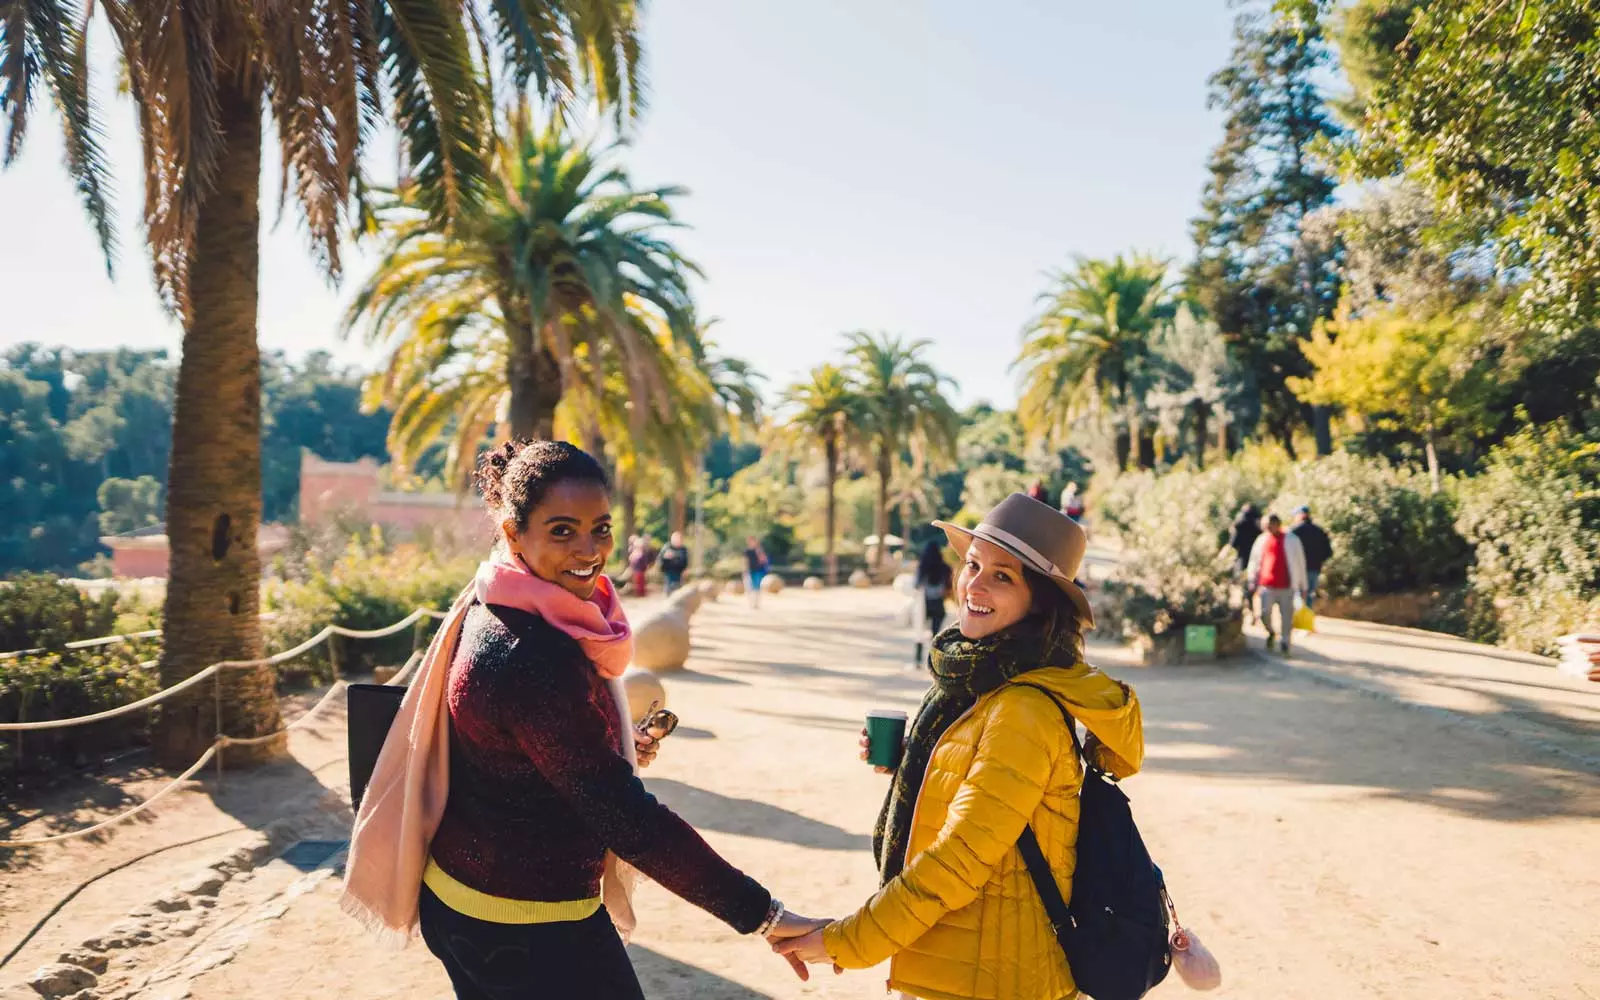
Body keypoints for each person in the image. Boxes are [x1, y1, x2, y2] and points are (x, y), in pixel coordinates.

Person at [341, 440, 818, 999]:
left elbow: (514, 747)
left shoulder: (498, 597)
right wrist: (764, 914)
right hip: (525, 926)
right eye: (562, 530)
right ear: (513, 531)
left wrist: (605, 744)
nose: (589, 550)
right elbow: (628, 820)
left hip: (468, 901)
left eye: (602, 529)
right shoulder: (533, 654)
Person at [776, 492, 1144, 1000]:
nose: (974, 583)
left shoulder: (1023, 710)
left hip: (992, 976)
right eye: (972, 564)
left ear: (1040, 601)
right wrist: (921, 762)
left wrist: (844, 942)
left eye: (1003, 575)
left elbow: (957, 861)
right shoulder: (982, 682)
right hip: (964, 962)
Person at [1247, 513, 1308, 655]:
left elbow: (1300, 562)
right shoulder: (1262, 540)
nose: (1268, 528)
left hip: (1286, 585)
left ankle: (1285, 642)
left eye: (1270, 525)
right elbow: (1254, 561)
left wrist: (1303, 586)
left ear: (1277, 524)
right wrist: (1252, 579)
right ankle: (1271, 632)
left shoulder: (1292, 540)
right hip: (1266, 585)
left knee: (1287, 617)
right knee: (1264, 613)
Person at [1223, 503, 1263, 622]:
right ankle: (1251, 610)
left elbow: (1233, 544)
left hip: (1241, 559)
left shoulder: (1239, 526)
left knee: (1242, 586)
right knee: (1252, 587)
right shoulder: (1258, 528)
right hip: (1256, 561)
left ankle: (1243, 611)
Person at [1290, 505, 1332, 608]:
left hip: (1298, 569)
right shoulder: (1319, 531)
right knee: (1309, 594)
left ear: (1300, 515)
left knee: (1297, 594)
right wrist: (1319, 560)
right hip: (1314, 568)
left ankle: (1298, 617)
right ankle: (1305, 619)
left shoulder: (1294, 531)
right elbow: (1328, 552)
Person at [913, 540, 954, 637]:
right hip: (938, 602)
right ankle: (933, 643)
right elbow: (949, 585)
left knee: (920, 630)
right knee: (935, 630)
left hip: (924, 602)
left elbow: (916, 585)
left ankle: (919, 649)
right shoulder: (945, 567)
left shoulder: (923, 567)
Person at [743, 536, 770, 608]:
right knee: (749, 588)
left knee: (757, 587)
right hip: (750, 571)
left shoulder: (759, 550)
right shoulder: (747, 551)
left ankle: (756, 603)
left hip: (758, 571)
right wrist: (745, 570)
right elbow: (745, 561)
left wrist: (759, 553)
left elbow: (764, 560)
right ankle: (751, 603)